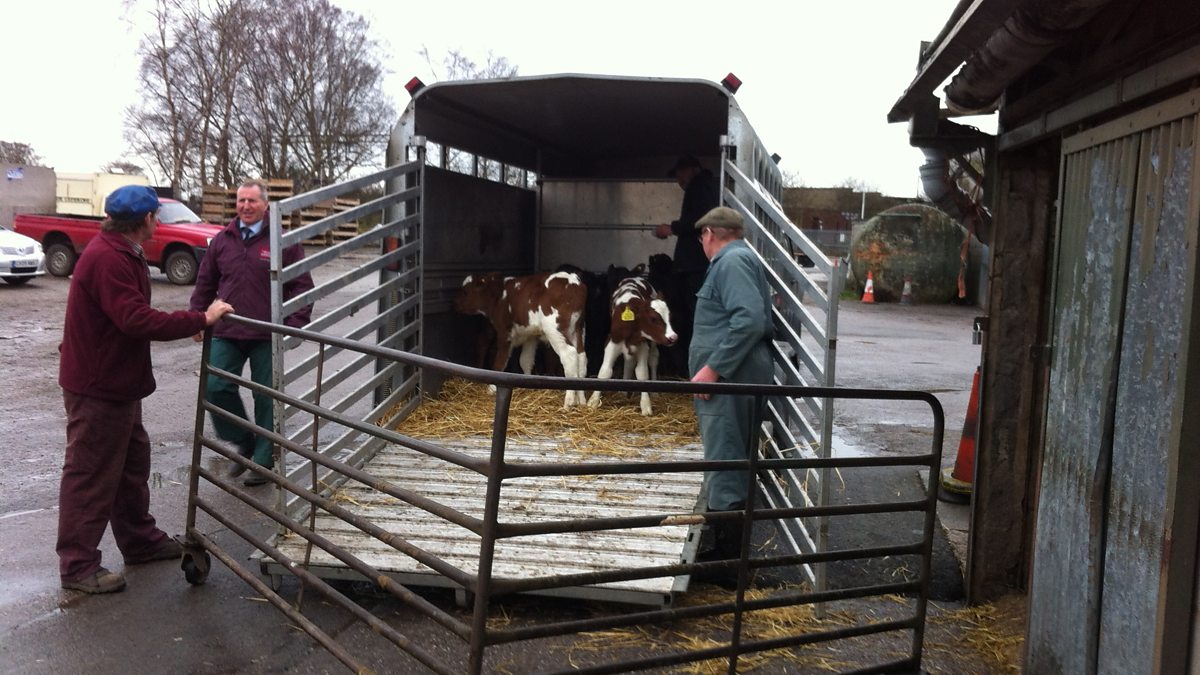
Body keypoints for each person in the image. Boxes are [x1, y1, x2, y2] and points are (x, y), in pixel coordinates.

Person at [57, 185, 235, 594]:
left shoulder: (122, 251)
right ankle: (78, 565)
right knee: (90, 473)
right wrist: (199, 319)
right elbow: (135, 319)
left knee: (130, 464)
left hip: (116, 383)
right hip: (99, 387)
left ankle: (138, 540)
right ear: (148, 220)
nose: (160, 221)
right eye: (158, 215)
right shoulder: (109, 258)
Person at [189, 179, 314, 486]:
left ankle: (263, 460)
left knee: (266, 396)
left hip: (266, 333)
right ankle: (244, 439)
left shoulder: (284, 241)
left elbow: (302, 286)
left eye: (252, 201)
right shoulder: (223, 240)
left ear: (265, 205)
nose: (245, 206)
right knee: (215, 386)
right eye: (241, 201)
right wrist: (197, 317)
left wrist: (293, 325)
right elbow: (206, 281)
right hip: (228, 328)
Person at [688, 206, 774, 577]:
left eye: (701, 237)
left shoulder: (731, 262)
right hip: (738, 376)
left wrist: (713, 369)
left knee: (724, 459)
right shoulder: (741, 259)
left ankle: (726, 565)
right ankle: (728, 556)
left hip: (729, 380)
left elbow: (750, 318)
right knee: (733, 459)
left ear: (709, 233)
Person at [654, 154, 718, 376]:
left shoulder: (700, 187)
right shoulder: (706, 186)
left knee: (692, 316)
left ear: (693, 169)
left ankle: (694, 370)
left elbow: (701, 218)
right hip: (692, 267)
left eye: (681, 173)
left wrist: (672, 228)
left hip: (694, 267)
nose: (679, 179)